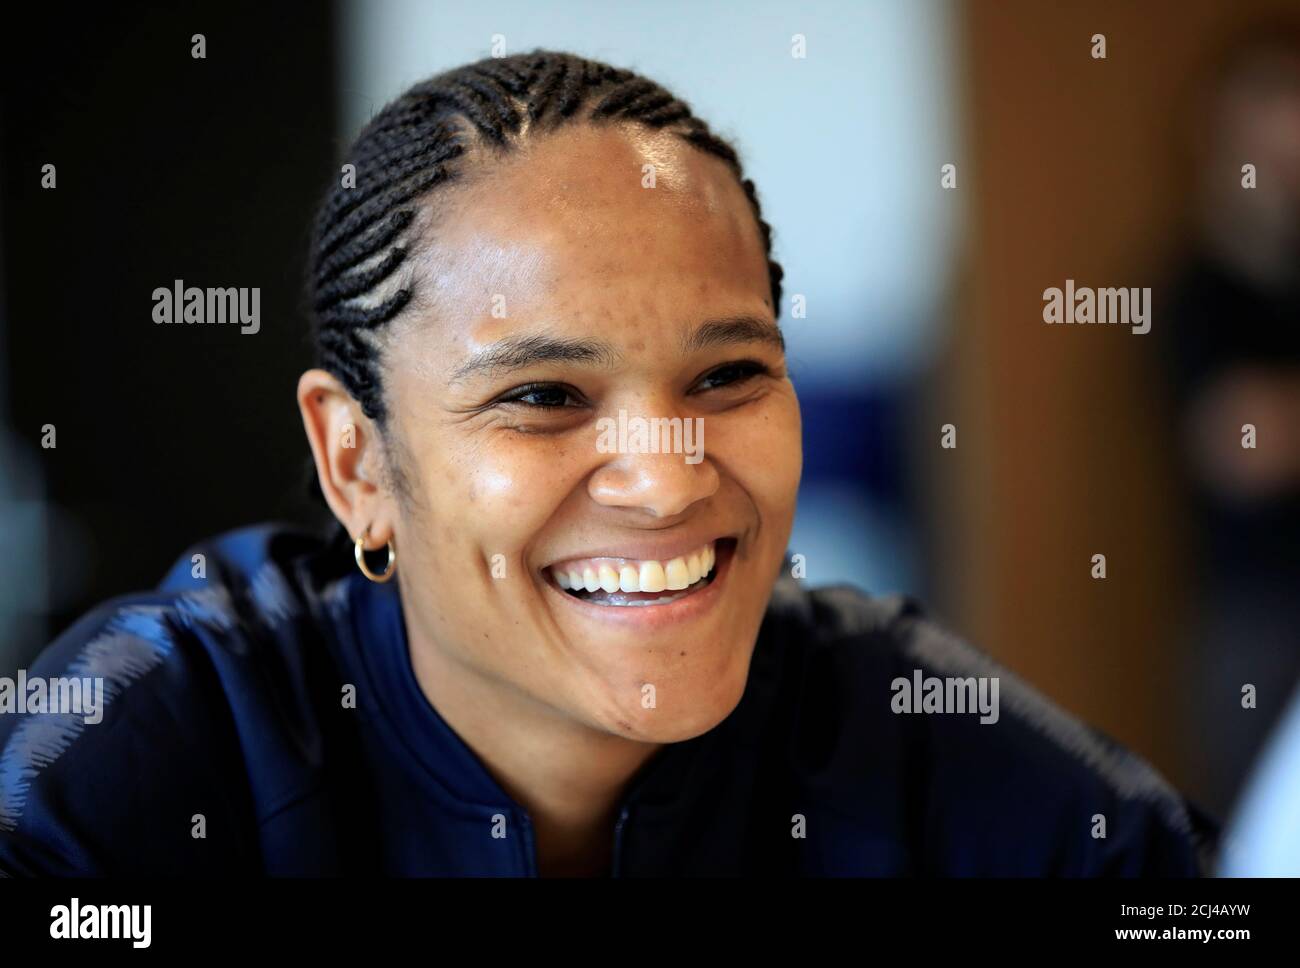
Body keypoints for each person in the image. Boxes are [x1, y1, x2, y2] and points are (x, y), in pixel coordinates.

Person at [0, 50, 1216, 876]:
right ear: (356, 461)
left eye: (726, 375)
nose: (667, 477)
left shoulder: (903, 730)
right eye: (542, 396)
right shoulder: (159, 739)